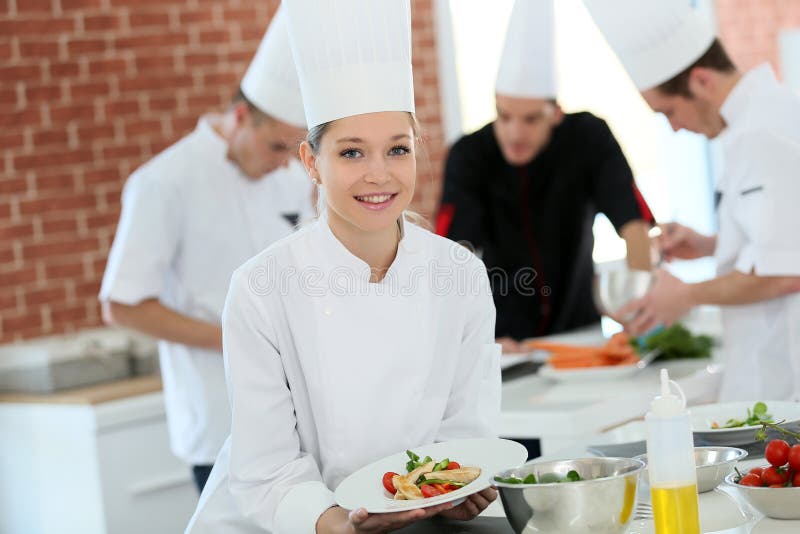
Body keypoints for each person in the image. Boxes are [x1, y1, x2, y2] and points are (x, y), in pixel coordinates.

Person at [185, 1, 501, 533]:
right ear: (312, 162)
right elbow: (266, 472)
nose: (379, 175)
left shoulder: (460, 275)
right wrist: (336, 523)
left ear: (417, 150)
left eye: (397, 150)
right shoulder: (262, 289)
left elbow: (466, 431)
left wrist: (462, 484)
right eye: (352, 153)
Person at [99, 7, 312, 493]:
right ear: (240, 118)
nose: (287, 165)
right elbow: (122, 304)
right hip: (220, 422)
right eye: (278, 147)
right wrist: (235, 335)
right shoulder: (163, 183)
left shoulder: (290, 178)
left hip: (300, 420)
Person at [585, 0, 800, 400]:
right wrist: (709, 245)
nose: (676, 128)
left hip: (786, 388)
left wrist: (687, 295)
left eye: (670, 111)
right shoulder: (759, 123)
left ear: (701, 80)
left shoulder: (762, 133)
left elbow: (785, 272)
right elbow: (786, 241)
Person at [437, 0, 654, 353]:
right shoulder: (469, 154)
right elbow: (452, 254)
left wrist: (641, 306)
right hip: (503, 341)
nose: (514, 134)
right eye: (503, 116)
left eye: (530, 119)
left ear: (556, 113)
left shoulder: (589, 137)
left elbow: (634, 225)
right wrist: (468, 334)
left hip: (579, 336)